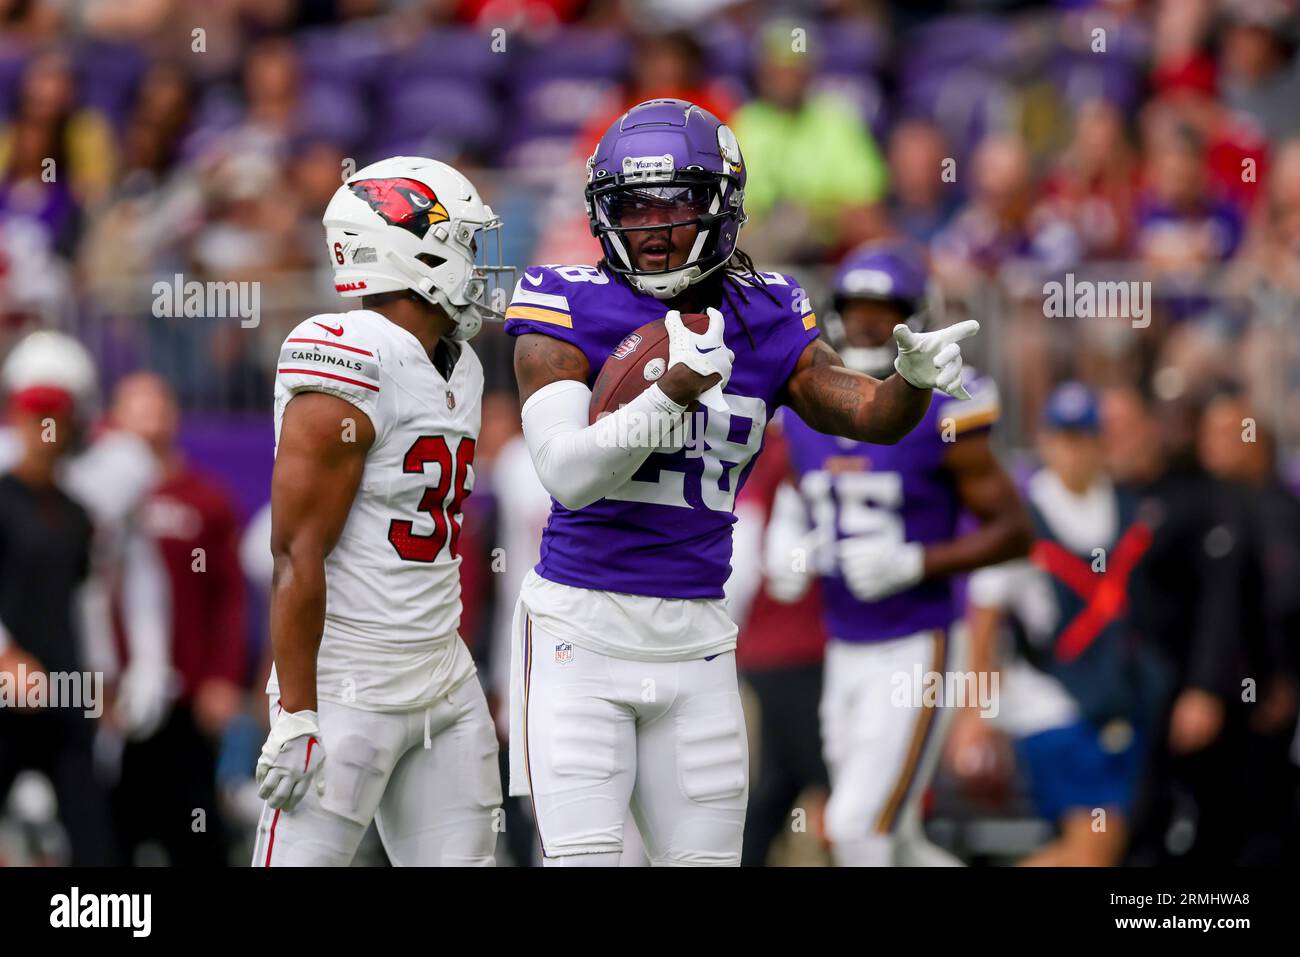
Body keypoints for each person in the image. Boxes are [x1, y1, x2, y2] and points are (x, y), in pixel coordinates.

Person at [504, 99, 979, 866]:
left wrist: (910, 382)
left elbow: (868, 413)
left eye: (675, 204)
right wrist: (671, 392)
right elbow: (568, 473)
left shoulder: (765, 310)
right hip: (577, 636)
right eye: (633, 207)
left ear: (721, 208)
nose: (652, 228)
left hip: (698, 637)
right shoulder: (564, 300)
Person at [251, 157, 511, 866]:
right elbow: (295, 550)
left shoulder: (461, 363)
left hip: (443, 673)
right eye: (463, 242)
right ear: (412, 249)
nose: (477, 264)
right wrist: (299, 709)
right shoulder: (349, 357)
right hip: (348, 685)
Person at [764, 241, 1031, 866]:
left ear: (918, 313)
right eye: (856, 308)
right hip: (843, 644)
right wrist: (788, 541)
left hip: (916, 641)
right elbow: (805, 493)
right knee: (894, 838)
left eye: (885, 310)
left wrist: (915, 561)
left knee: (859, 828)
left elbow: (1015, 531)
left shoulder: (944, 404)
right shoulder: (808, 404)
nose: (866, 323)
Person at [966, 383, 1167, 866]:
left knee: (1105, 845)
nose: (1075, 450)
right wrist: (975, 716)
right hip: (1050, 703)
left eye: (1085, 437)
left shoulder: (1124, 505)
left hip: (1118, 700)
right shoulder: (1021, 516)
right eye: (1064, 437)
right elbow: (985, 622)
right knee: (1095, 847)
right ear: (1046, 441)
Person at [107, 372, 249, 865]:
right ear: (115, 418)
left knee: (195, 832)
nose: (147, 423)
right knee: (107, 835)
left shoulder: (206, 500)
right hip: (112, 700)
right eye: (135, 409)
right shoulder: (96, 496)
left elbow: (230, 596)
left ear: (173, 417)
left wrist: (223, 678)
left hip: (187, 696)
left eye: (156, 409)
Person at [0, 331, 118, 865]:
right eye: (33, 413)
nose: (42, 428)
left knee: (92, 832)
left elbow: (86, 599)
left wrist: (103, 676)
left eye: (54, 415)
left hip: (64, 689)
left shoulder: (77, 511)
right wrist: (4, 655)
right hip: (6, 691)